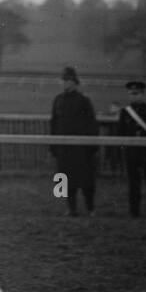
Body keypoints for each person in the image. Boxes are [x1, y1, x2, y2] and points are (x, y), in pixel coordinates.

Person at [49, 66, 98, 216]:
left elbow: (91, 123)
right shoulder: (58, 100)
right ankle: (71, 208)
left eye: (68, 80)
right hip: (64, 148)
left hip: (81, 149)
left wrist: (91, 146)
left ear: (75, 82)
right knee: (66, 179)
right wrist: (53, 145)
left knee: (86, 181)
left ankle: (90, 208)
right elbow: (54, 123)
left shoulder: (83, 101)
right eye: (63, 80)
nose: (65, 83)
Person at [117, 81, 146, 218]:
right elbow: (121, 132)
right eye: (132, 94)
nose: (134, 96)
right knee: (133, 184)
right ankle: (134, 212)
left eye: (137, 94)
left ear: (142, 94)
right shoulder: (124, 112)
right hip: (132, 152)